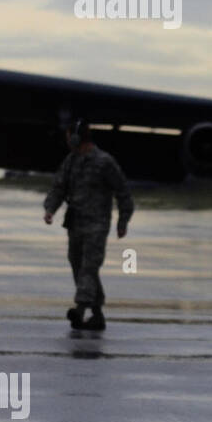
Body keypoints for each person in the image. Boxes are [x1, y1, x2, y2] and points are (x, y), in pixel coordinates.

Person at [43, 118, 134, 331]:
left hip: (97, 225)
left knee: (88, 267)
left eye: (68, 137)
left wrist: (122, 221)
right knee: (78, 265)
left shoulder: (104, 162)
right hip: (75, 224)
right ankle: (97, 315)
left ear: (76, 138)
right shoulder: (71, 161)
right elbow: (58, 188)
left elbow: (123, 193)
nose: (67, 142)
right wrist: (50, 210)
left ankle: (80, 310)